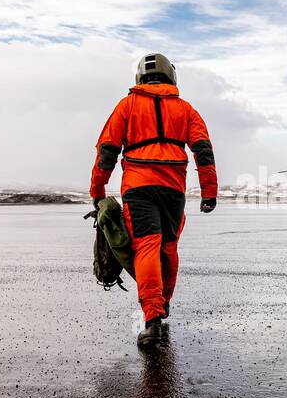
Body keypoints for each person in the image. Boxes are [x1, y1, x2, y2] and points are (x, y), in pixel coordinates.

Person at [90, 53, 217, 348]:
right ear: (171, 76)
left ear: (139, 78)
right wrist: (209, 191)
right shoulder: (186, 110)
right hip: (173, 187)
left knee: (146, 246)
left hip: (138, 186)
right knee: (169, 246)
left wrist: (97, 190)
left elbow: (106, 151)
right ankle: (163, 303)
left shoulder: (127, 105)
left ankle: (153, 320)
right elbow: (203, 151)